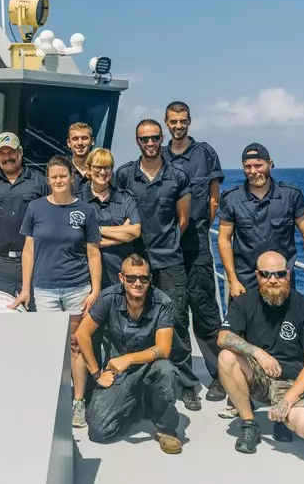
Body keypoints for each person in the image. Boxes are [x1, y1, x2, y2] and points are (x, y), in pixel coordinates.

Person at [10, 155, 101, 429]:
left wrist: (95, 289)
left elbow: (93, 252)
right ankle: (50, 400)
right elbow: (29, 250)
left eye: (63, 176)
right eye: (54, 177)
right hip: (45, 288)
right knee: (49, 346)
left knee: (76, 345)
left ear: (72, 177)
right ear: (48, 180)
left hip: (77, 287)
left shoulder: (85, 210)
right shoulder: (36, 208)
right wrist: (26, 288)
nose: (59, 181)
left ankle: (78, 401)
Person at [114, 120, 198, 410]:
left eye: (154, 138)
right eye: (143, 139)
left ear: (161, 138)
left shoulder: (177, 175)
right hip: (136, 261)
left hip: (169, 259)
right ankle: (138, 381)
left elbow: (183, 219)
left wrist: (169, 243)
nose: (149, 143)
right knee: (134, 320)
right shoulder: (124, 174)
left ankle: (187, 384)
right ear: (137, 141)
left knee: (176, 319)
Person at [217, 251, 304, 454]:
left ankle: (284, 417)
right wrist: (258, 353)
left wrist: (288, 400)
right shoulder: (244, 303)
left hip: (294, 383)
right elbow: (223, 337)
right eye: (266, 274)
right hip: (260, 377)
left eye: (279, 274)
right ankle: (249, 424)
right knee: (226, 357)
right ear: (257, 275)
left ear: (288, 275)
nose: (273, 280)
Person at [75, 254, 183, 454]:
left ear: (150, 279)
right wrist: (97, 374)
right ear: (121, 277)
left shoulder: (163, 302)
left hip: (150, 366)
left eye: (143, 278)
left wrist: (129, 358)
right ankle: (135, 405)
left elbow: (163, 349)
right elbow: (82, 333)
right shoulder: (109, 297)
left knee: (166, 370)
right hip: (118, 372)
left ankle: (166, 428)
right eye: (131, 278)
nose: (137, 283)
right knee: (99, 430)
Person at [162, 101, 226, 402]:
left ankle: (220, 376)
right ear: (166, 123)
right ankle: (186, 381)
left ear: (190, 121)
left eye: (182, 120)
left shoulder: (205, 153)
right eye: (173, 121)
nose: (178, 125)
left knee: (206, 313)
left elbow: (214, 201)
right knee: (175, 316)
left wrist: (197, 229)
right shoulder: (158, 155)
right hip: (167, 251)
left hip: (198, 247)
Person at [217, 143, 304, 297]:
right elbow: (224, 240)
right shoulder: (231, 198)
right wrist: (233, 280)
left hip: (282, 281)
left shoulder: (290, 195)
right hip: (245, 282)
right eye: (248, 166)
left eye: (258, 165)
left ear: (270, 164)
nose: (253, 171)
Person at [0, 132, 48, 297]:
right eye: (2, 154)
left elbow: (49, 220)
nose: (7, 157)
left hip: (33, 262)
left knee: (33, 315)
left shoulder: (40, 181)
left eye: (11, 152)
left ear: (20, 152)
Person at [81, 148, 141, 286]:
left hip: (118, 276)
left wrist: (95, 229)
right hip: (85, 279)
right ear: (88, 169)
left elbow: (135, 231)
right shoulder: (78, 200)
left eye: (107, 167)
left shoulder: (125, 198)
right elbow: (79, 239)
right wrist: (119, 239)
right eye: (98, 167)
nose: (103, 172)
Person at [66, 122, 95, 196]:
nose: (80, 143)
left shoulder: (102, 173)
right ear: (69, 143)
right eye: (75, 139)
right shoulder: (62, 172)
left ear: (92, 141)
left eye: (84, 138)